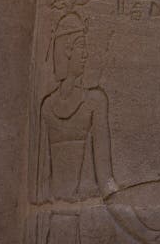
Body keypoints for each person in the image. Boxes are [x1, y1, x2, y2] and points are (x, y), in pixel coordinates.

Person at [37, 13, 118, 202]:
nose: (85, 54)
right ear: (67, 50)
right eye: (81, 45)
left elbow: (105, 179)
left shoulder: (94, 101)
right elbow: (42, 177)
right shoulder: (47, 106)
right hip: (57, 208)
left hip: (84, 204)